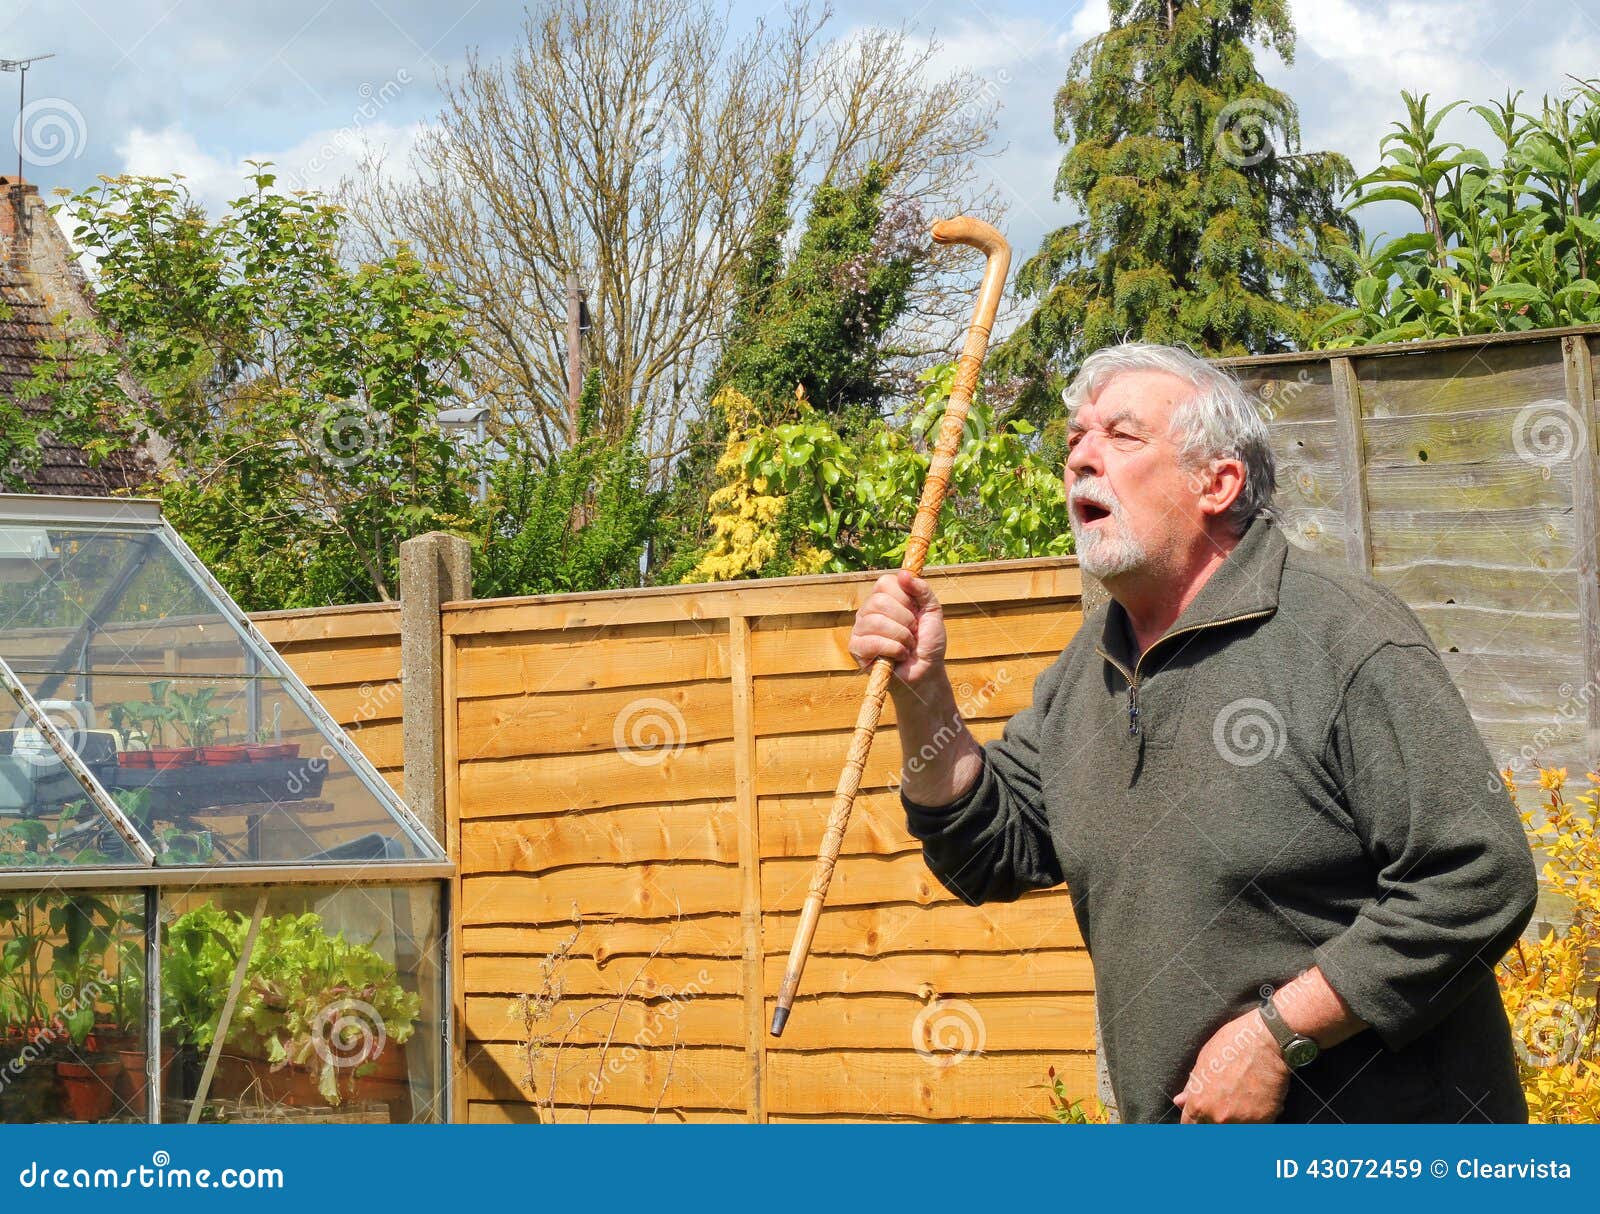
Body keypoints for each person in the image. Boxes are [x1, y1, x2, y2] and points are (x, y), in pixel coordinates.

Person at [849, 342, 1538, 1123]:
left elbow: (1479, 876)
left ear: (1219, 482)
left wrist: (1279, 1034)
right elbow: (988, 851)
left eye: (1121, 435)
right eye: (1074, 439)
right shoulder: (1092, 667)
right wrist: (923, 693)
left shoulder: (1344, 639)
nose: (1081, 459)